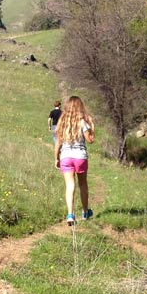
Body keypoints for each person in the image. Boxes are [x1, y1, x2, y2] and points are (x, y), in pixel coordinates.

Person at [53, 95, 95, 225]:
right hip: (80, 157)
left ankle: (70, 215)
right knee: (83, 184)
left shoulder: (62, 123)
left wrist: (56, 158)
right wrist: (92, 126)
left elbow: (58, 143)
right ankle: (85, 212)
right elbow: (90, 140)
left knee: (70, 185)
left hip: (65, 157)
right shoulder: (82, 122)